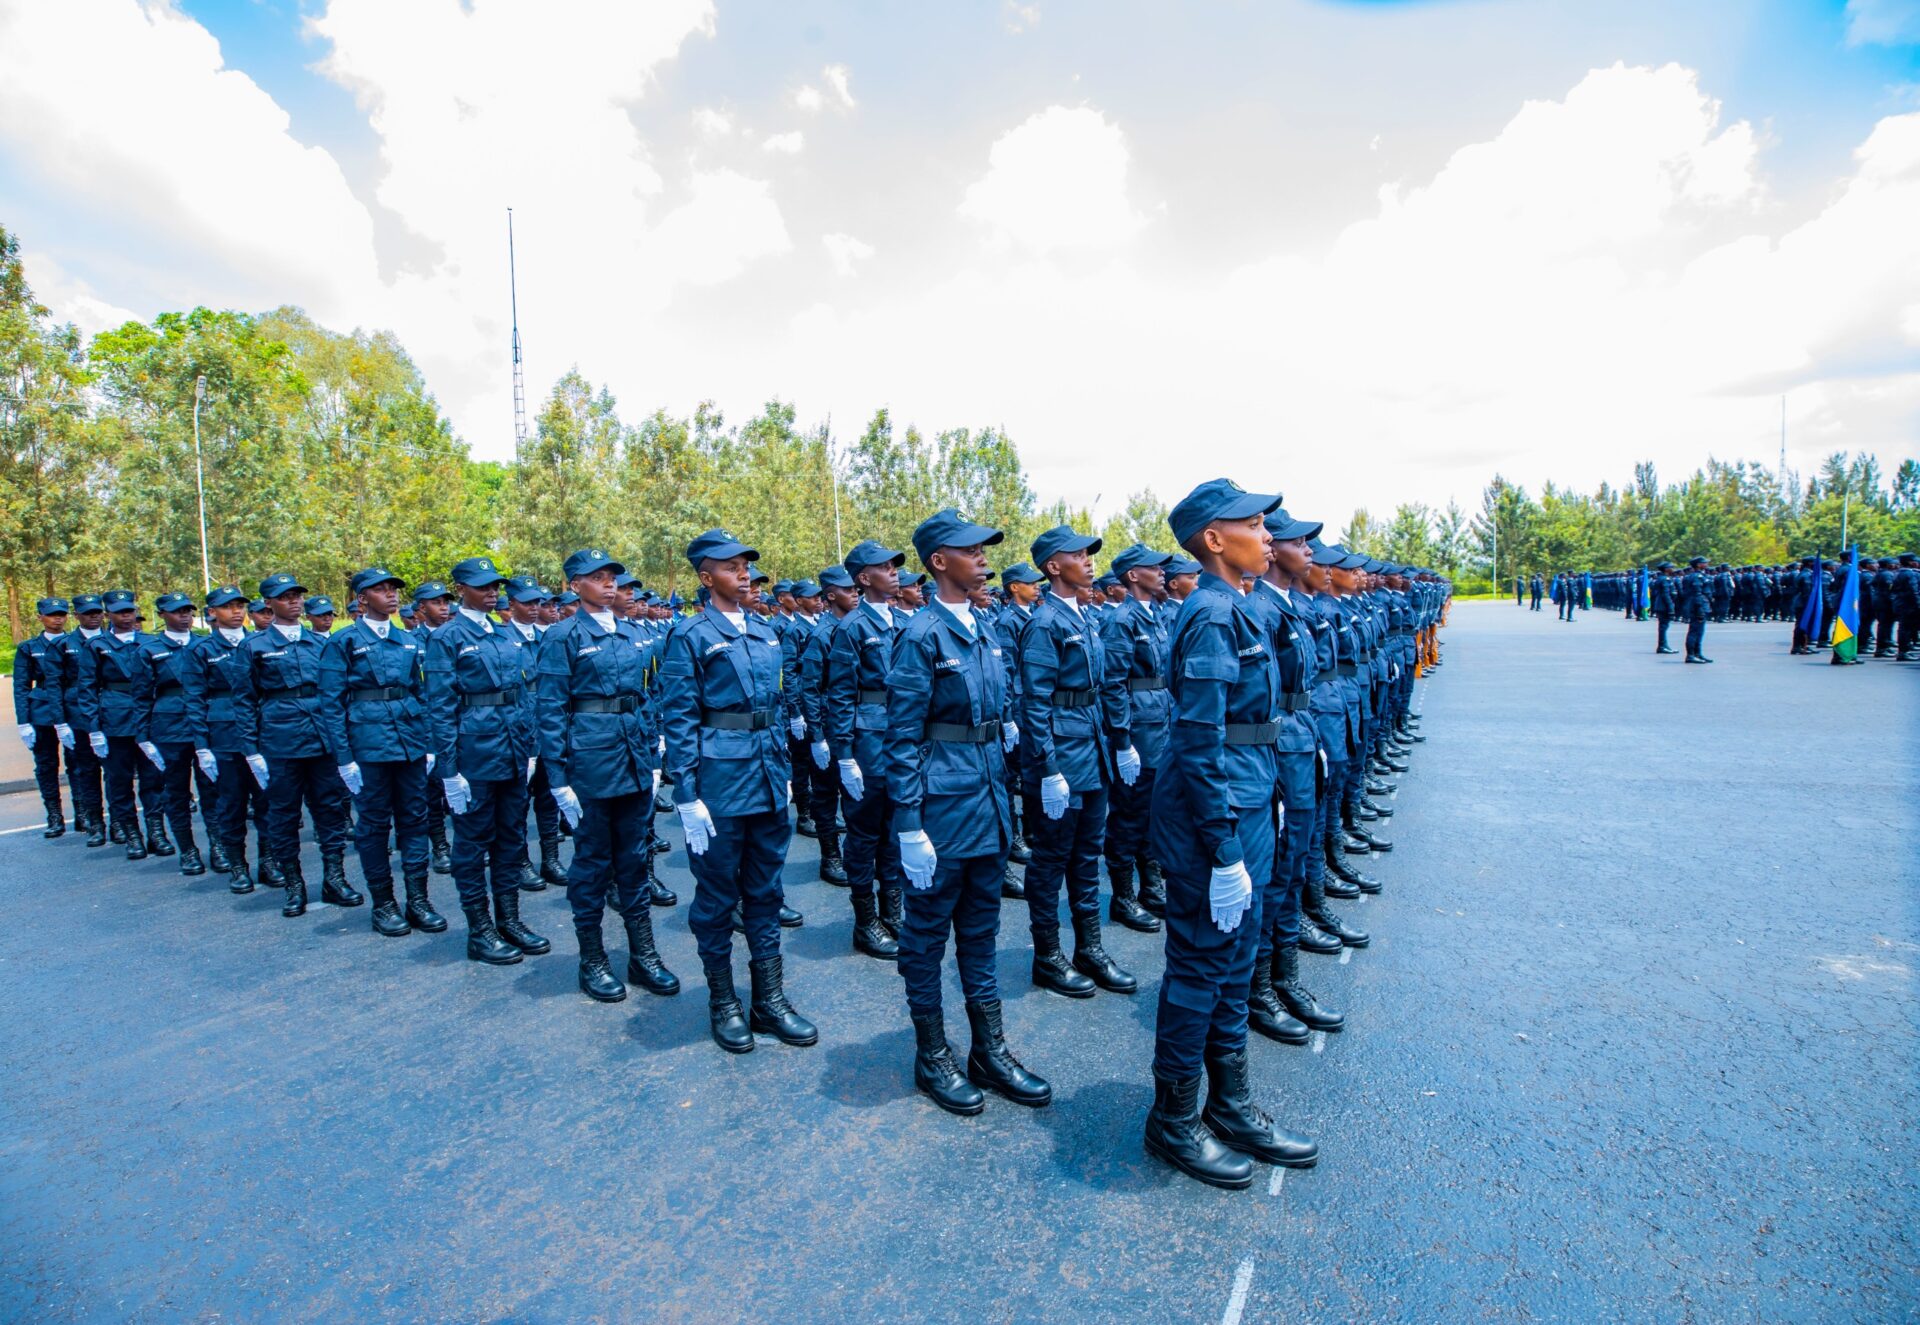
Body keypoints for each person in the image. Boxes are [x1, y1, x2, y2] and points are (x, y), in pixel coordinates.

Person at [1145, 478, 1317, 1190]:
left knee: (1236, 961)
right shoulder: (1213, 615)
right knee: (1198, 970)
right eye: (1253, 523)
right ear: (1215, 539)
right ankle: (1174, 1120)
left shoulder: (1238, 607)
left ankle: (1230, 1105)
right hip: (1212, 819)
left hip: (1247, 803)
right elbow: (1198, 740)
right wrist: (1221, 849)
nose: (1268, 535)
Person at [886, 508, 1051, 1115]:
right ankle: (932, 1055)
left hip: (987, 800)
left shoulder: (982, 626)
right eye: (970, 550)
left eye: (984, 549)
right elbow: (901, 738)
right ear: (938, 562)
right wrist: (909, 825)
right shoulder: (922, 634)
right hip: (942, 807)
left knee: (981, 933)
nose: (983, 559)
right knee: (926, 936)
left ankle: (989, 1050)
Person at [659, 528, 814, 1055]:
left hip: (766, 775)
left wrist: (784, 770)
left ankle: (769, 1000)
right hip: (719, 783)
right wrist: (686, 794)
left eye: (746, 565)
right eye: (731, 567)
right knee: (718, 896)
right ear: (706, 578)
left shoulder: (764, 631)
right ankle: (723, 1002)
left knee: (766, 891)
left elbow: (773, 707)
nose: (743, 574)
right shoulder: (690, 635)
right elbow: (680, 717)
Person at [535, 548, 675, 1004]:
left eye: (612, 576)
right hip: (591, 761)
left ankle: (643, 955)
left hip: (633, 756)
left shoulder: (632, 632)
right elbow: (551, 709)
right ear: (575, 586)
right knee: (593, 863)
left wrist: (653, 755)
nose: (609, 584)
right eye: (597, 578)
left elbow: (644, 697)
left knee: (635, 858)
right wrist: (558, 778)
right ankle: (592, 960)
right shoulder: (563, 635)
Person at [1018, 524, 1138, 1000]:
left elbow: (1101, 688)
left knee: (1087, 857)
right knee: (1051, 858)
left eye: (1089, 554)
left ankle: (1089, 948)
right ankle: (1048, 956)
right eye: (1078, 555)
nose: (1088, 561)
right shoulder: (1045, 623)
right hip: (1062, 757)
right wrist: (1047, 769)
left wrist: (1119, 743)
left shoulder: (1083, 617)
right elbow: (1035, 703)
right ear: (1053, 566)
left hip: (1091, 750)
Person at [425, 557, 548, 965]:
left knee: (511, 837)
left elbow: (522, 695)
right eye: (482, 586)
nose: (492, 592)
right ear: (461, 589)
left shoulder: (503, 633)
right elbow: (440, 706)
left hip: (511, 750)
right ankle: (480, 930)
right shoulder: (447, 637)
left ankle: (509, 920)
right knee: (473, 843)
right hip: (474, 756)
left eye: (495, 585)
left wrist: (529, 749)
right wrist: (449, 770)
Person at [318, 566, 446, 939]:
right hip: (368, 745)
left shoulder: (407, 640)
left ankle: (418, 900)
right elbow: (331, 704)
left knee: (415, 821)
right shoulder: (343, 642)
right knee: (374, 827)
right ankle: (384, 904)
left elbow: (422, 694)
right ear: (362, 599)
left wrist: (429, 744)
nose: (391, 595)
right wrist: (344, 758)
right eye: (381, 589)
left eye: (393, 589)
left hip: (409, 743)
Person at [230, 573, 361, 915]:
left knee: (331, 810)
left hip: (321, 737)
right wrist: (251, 750)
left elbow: (338, 693)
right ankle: (293, 884)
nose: (294, 602)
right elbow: (243, 701)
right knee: (283, 814)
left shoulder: (320, 643)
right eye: (285, 597)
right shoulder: (254, 646)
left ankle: (334, 878)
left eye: (297, 596)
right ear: (268, 603)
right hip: (280, 739)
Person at [823, 539, 911, 960]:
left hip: (899, 737)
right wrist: (844, 755)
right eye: (885, 567)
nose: (894, 572)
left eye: (895, 566)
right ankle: (865, 921)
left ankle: (892, 912)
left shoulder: (902, 621)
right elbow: (840, 695)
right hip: (868, 741)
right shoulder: (852, 627)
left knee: (894, 829)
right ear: (864, 577)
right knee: (863, 834)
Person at [184, 585, 277, 893]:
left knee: (266, 801)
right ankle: (238, 865)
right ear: (212, 612)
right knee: (231, 803)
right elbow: (195, 700)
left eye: (240, 605)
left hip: (262, 730)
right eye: (228, 606)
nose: (236, 611)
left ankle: (268, 861)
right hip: (224, 734)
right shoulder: (202, 650)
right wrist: (202, 746)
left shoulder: (259, 642)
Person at [1100, 543, 1173, 934]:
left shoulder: (1154, 614)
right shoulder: (1122, 619)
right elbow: (1113, 683)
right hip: (1139, 730)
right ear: (1132, 575)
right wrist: (1122, 740)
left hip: (1159, 723)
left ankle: (1151, 886)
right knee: (1128, 815)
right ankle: (1123, 897)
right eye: (1153, 567)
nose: (1162, 572)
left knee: (1152, 811)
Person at [72, 589, 167, 861]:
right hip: (115, 717)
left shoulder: (150, 642)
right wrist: (94, 729)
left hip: (148, 716)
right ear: (108, 615)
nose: (126, 616)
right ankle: (132, 835)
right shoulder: (97, 645)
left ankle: (156, 832)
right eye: (120, 612)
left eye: (130, 611)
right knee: (119, 780)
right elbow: (87, 689)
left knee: (153, 778)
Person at [137, 591, 215, 876]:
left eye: (188, 611)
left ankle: (218, 845)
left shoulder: (204, 644)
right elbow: (141, 697)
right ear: (162, 615)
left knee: (212, 788)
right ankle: (188, 850)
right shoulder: (149, 650)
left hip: (205, 722)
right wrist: (143, 737)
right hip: (169, 727)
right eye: (177, 611)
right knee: (176, 791)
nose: (184, 616)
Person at [502, 575, 567, 892]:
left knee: (549, 795)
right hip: (518, 731)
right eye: (526, 602)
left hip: (547, 727)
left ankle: (550, 859)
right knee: (517, 802)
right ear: (511, 604)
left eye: (537, 603)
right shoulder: (502, 638)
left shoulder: (550, 637)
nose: (534, 608)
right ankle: (521, 862)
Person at [797, 565, 856, 886]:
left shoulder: (856, 627)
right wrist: (817, 736)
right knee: (826, 793)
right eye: (848, 590)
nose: (855, 595)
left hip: (854, 724)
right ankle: (830, 857)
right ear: (831, 596)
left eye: (856, 589)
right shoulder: (822, 634)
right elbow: (809, 687)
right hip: (830, 725)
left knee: (857, 794)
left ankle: (857, 855)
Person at [13, 596, 76, 838]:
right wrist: (23, 721)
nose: (57, 619)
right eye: (51, 615)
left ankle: (83, 813)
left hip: (71, 708)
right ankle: (54, 816)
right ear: (40, 617)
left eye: (61, 614)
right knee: (47, 765)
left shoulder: (76, 644)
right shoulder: (29, 648)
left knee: (78, 764)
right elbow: (21, 686)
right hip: (42, 711)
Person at [410, 581, 456, 875]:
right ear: (420, 608)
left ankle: (465, 844)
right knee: (430, 794)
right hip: (424, 727)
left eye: (446, 602)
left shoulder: (455, 637)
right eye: (436, 603)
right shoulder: (410, 642)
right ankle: (440, 846)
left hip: (454, 723)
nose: (443, 608)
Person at [1679, 556, 1714, 663]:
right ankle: (1690, 655)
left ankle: (1697, 653)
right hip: (1697, 606)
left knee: (1699, 631)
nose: (1707, 564)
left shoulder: (1698, 576)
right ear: (1698, 565)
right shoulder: (1696, 577)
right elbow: (1697, 594)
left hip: (1700, 605)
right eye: (1704, 562)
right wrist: (1699, 608)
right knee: (1694, 631)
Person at [1649, 562, 1679, 654]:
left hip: (1661, 604)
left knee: (1663, 626)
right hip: (1663, 605)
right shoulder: (1664, 579)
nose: (1673, 569)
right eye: (1671, 567)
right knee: (1663, 626)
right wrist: (1670, 606)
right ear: (1666, 569)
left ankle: (1664, 645)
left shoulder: (1663, 578)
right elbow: (1665, 594)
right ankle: (1662, 646)